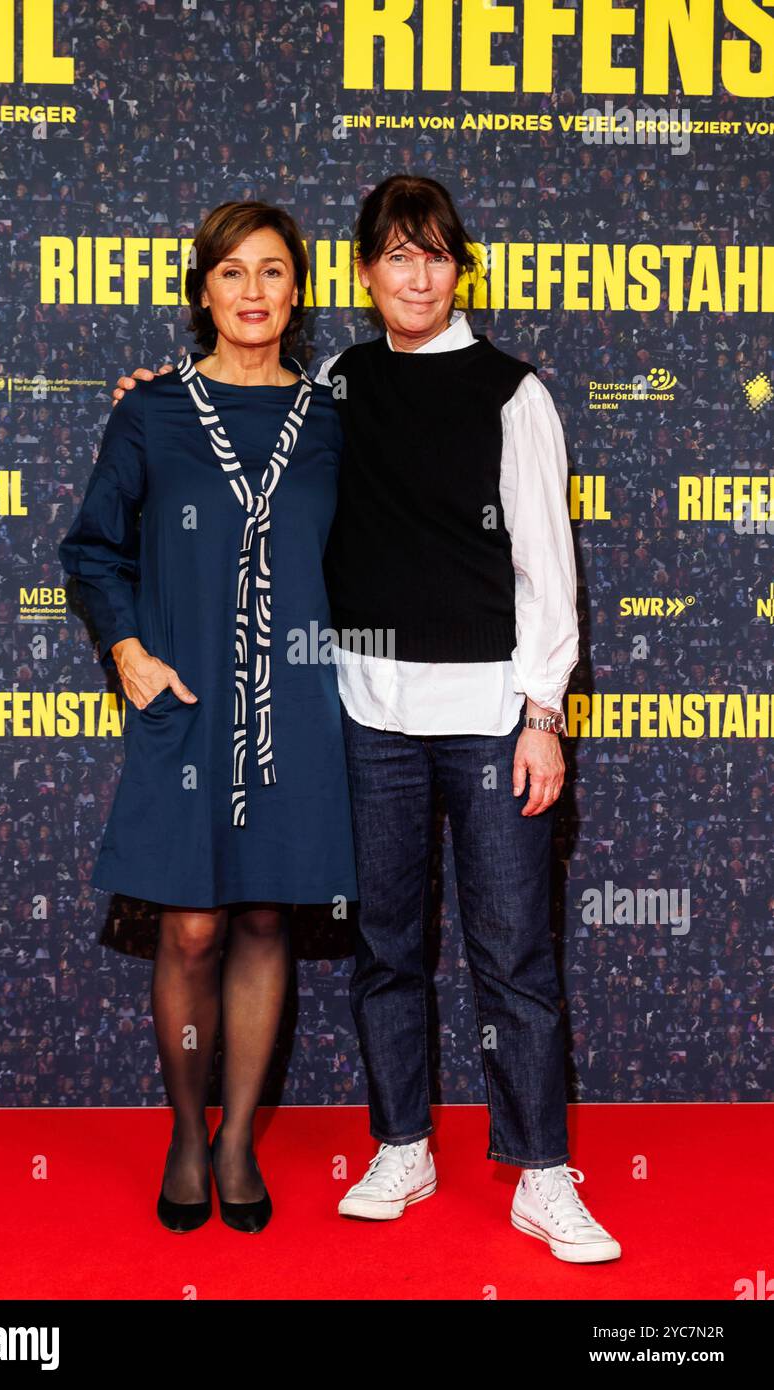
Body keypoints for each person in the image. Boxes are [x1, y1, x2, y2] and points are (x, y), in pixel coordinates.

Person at [112, 174, 621, 1264]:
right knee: (387, 949)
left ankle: (540, 1171)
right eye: (394, 255)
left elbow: (548, 564)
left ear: (457, 267)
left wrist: (542, 712)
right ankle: (402, 1145)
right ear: (362, 275)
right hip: (363, 709)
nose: (415, 274)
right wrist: (154, 402)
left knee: (511, 955)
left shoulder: (511, 392)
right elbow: (224, 428)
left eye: (433, 254)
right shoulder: (332, 387)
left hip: (490, 714)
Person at [59, 201, 358, 1236]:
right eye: (230, 273)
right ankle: (188, 1132)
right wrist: (129, 651)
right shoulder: (149, 413)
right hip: (184, 710)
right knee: (189, 927)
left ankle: (237, 1143)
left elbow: (380, 552)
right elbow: (91, 549)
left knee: (269, 915)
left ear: (296, 293)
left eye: (272, 272)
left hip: (297, 712)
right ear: (202, 294)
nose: (251, 292)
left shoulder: (331, 418)